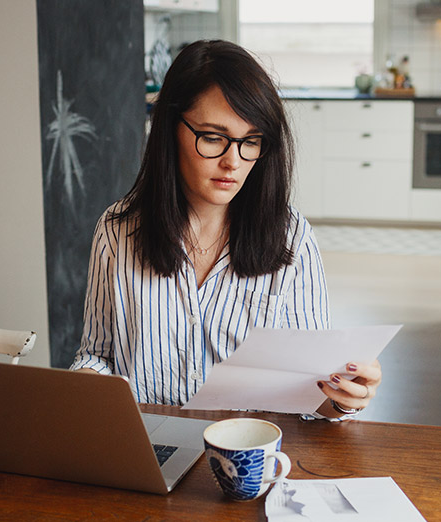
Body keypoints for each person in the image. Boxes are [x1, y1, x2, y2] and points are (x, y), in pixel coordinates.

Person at [69, 40, 381, 419]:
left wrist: (341, 397)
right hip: (147, 448)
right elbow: (97, 354)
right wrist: (85, 386)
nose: (233, 162)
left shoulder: (292, 238)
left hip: (248, 455)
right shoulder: (118, 231)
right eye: (213, 138)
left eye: (250, 141)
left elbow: (313, 392)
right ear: (170, 129)